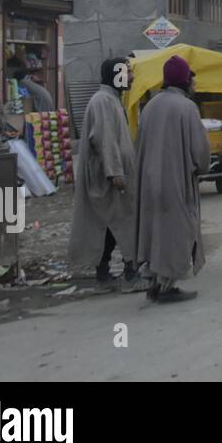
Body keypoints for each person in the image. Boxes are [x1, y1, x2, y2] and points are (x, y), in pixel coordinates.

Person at [133, 55, 211, 303]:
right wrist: (201, 168)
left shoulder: (150, 106)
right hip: (175, 182)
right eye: (193, 80)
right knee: (177, 233)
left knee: (154, 232)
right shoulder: (187, 108)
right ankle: (167, 287)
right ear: (185, 80)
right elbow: (200, 151)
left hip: (148, 182)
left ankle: (154, 282)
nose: (195, 86)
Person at [68, 57, 141, 287]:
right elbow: (104, 139)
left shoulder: (112, 99)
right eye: (127, 72)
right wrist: (115, 173)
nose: (131, 77)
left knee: (111, 226)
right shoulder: (102, 101)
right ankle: (130, 272)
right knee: (123, 223)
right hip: (108, 179)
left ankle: (105, 273)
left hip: (113, 176)